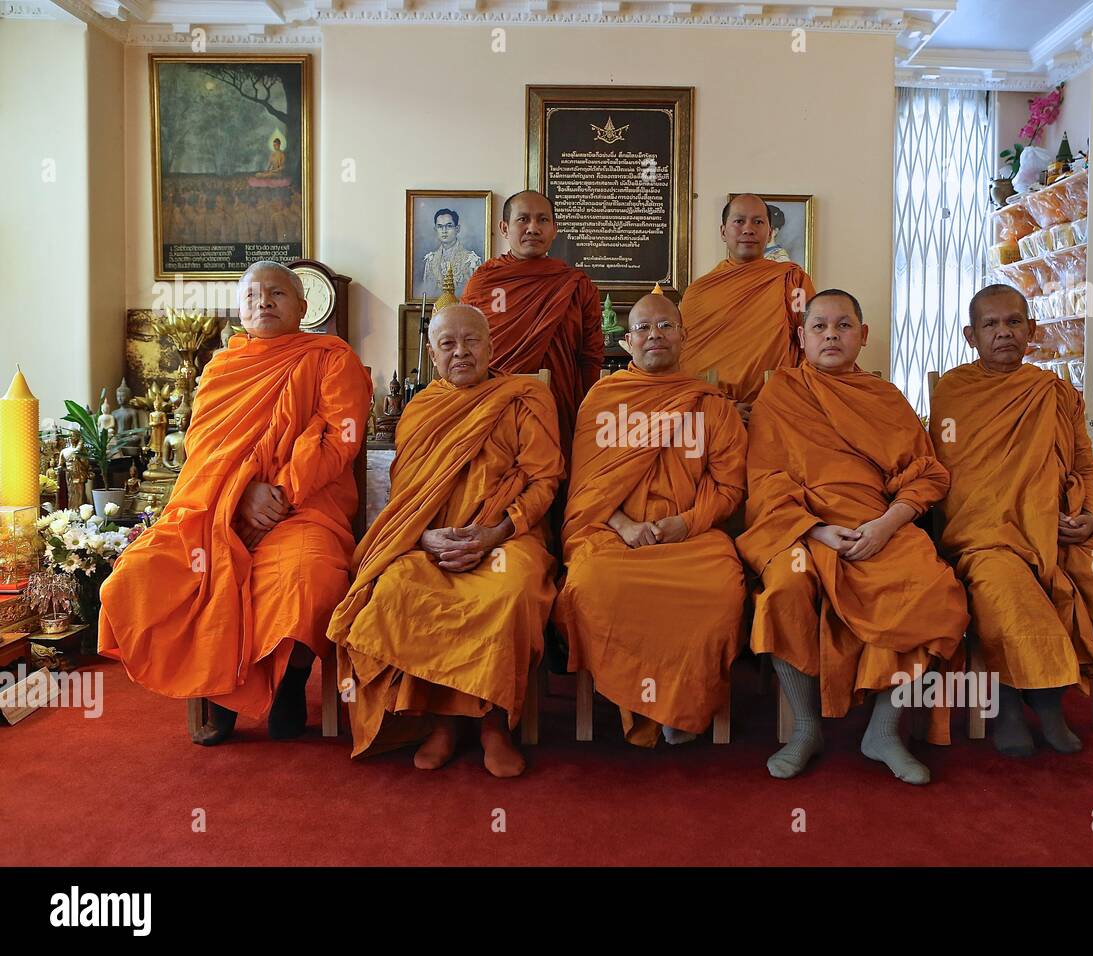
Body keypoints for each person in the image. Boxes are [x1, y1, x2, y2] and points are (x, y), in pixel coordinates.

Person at [98, 261, 372, 745]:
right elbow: (204, 450)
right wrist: (242, 493)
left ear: (302, 307)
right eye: (251, 296)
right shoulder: (221, 369)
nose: (263, 302)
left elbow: (338, 440)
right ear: (239, 310)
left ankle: (287, 682)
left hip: (305, 509)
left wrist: (281, 494)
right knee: (142, 570)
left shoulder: (332, 358)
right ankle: (215, 687)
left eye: (277, 294)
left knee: (306, 576)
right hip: (219, 506)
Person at [739, 290, 968, 783]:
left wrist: (886, 525)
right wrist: (815, 529)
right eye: (819, 326)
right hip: (798, 528)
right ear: (801, 338)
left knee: (931, 587)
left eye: (843, 326)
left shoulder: (886, 399)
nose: (831, 335)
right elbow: (764, 479)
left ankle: (884, 730)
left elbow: (926, 475)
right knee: (785, 587)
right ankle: (805, 727)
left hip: (877, 524)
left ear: (862, 336)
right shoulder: (781, 393)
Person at [327, 305, 563, 776]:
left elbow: (545, 480)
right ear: (432, 355)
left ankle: (495, 722)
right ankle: (440, 722)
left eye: (471, 341)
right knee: (396, 588)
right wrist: (427, 537)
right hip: (432, 541)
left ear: (491, 346)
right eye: (448, 344)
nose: (461, 352)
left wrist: (495, 532)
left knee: (510, 590)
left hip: (507, 537)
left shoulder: (523, 398)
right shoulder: (420, 410)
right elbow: (408, 496)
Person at [930, 284, 1093, 757]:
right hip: (987, 534)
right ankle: (1024, 705)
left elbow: (1086, 466)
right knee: (1012, 595)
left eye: (1014, 322)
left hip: (1062, 528)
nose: (1003, 333)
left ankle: (1048, 686)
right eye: (990, 325)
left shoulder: (1055, 393)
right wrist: (1017, 516)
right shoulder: (955, 391)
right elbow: (955, 477)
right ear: (971, 336)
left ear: (1031, 331)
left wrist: (1091, 514)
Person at [553, 294, 747, 746]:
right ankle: (636, 700)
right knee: (592, 584)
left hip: (692, 538)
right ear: (626, 341)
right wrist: (622, 526)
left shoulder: (710, 403)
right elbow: (585, 485)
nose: (654, 335)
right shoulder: (603, 399)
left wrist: (689, 522)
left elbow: (730, 487)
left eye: (665, 326)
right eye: (643, 328)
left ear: (684, 335)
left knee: (722, 590)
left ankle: (681, 703)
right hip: (613, 534)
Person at [461, 190, 602, 459]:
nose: (533, 228)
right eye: (523, 219)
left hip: (557, 406)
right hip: (495, 405)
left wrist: (585, 413)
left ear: (555, 229)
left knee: (551, 483)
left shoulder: (576, 285)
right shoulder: (483, 283)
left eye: (543, 220)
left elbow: (591, 355)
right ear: (504, 228)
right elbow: (469, 349)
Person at [678, 193, 815, 420]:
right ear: (723, 232)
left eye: (758, 222)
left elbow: (808, 344)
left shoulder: (792, 280)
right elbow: (686, 360)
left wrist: (790, 398)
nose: (748, 229)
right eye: (739, 221)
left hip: (778, 409)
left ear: (770, 232)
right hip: (712, 413)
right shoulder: (698, 292)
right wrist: (719, 406)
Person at [421, 207, 483, 296]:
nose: (444, 231)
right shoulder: (430, 260)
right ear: (435, 230)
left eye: (449, 226)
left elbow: (478, 294)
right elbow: (426, 292)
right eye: (440, 226)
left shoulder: (471, 260)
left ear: (457, 229)